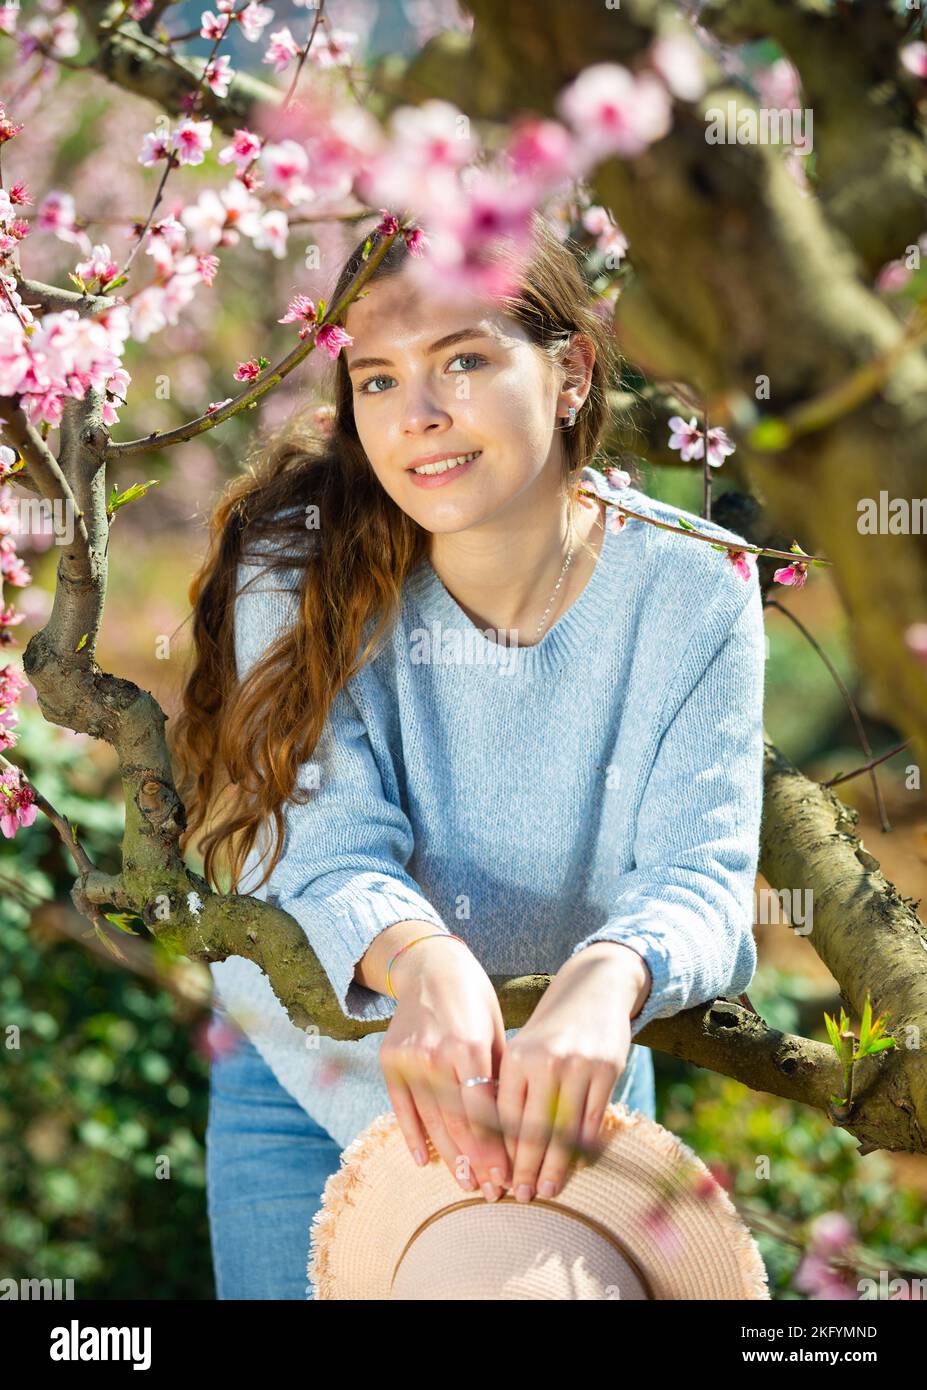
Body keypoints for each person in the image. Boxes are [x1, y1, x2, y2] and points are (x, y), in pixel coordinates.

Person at [171, 211, 767, 1300]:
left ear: (573, 369)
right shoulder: (294, 572)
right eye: (379, 380)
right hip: (314, 1068)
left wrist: (607, 979)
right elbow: (320, 841)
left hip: (557, 1080)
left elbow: (702, 871)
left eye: (464, 360)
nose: (421, 418)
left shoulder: (695, 589)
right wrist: (420, 958)